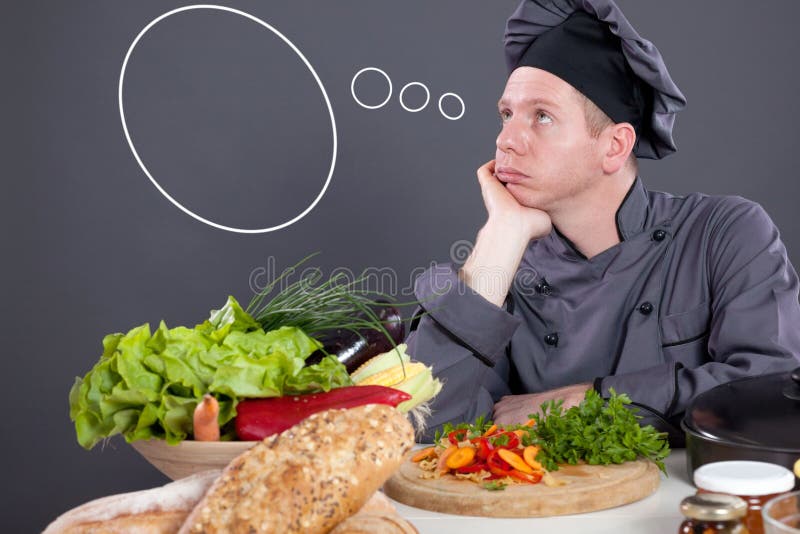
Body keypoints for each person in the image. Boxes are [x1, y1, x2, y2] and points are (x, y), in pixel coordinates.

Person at [405, 0, 800, 444]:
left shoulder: (723, 233)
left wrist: (583, 401)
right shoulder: (501, 271)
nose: (505, 140)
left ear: (614, 146)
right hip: (544, 509)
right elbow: (426, 421)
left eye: (542, 116)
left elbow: (770, 389)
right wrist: (501, 235)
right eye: (506, 114)